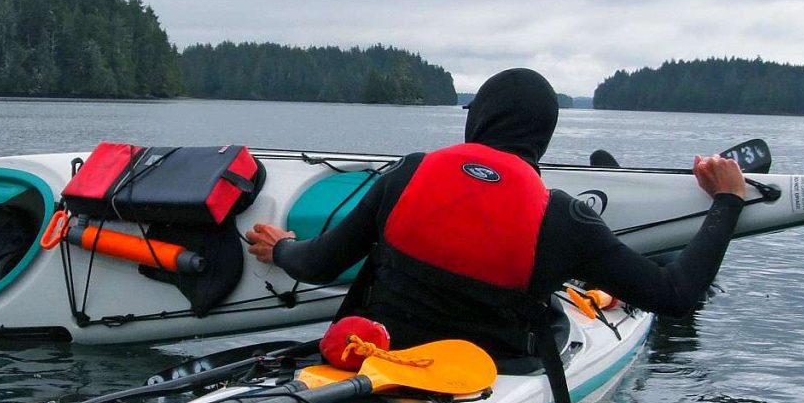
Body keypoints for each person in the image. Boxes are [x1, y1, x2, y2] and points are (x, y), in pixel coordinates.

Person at [245, 67, 746, 363]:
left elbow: (319, 265)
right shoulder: (562, 219)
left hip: (379, 359)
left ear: (476, 118)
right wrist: (726, 201)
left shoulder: (408, 175)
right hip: (490, 378)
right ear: (543, 137)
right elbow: (677, 297)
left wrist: (282, 247)